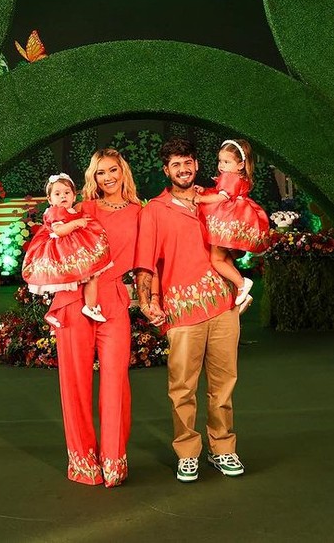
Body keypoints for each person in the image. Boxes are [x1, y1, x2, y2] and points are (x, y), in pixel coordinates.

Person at [135, 136, 245, 483]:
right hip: (181, 310)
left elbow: (237, 241)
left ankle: (223, 449)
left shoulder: (215, 199)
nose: (183, 169)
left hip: (224, 306)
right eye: (175, 164)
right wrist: (146, 301)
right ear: (166, 170)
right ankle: (187, 452)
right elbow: (145, 262)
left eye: (188, 162)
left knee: (223, 384)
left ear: (196, 164)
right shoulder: (154, 209)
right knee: (182, 387)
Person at [44, 150, 141, 487]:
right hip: (74, 300)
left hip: (113, 298)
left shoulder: (139, 213)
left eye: (113, 170)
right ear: (92, 177)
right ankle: (84, 465)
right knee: (75, 383)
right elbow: (50, 234)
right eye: (100, 173)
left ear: (123, 173)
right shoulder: (81, 208)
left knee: (116, 383)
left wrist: (151, 296)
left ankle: (114, 463)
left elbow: (147, 261)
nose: (107, 178)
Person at [194, 138, 271, 313]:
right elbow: (221, 192)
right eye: (220, 161)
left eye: (227, 162)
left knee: (216, 259)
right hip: (234, 218)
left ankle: (242, 284)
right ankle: (237, 291)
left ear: (241, 164)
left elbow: (222, 197)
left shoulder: (229, 177)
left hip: (228, 219)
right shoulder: (236, 177)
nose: (221, 166)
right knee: (225, 259)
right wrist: (205, 191)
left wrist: (201, 198)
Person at [21, 173, 111, 323]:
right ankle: (56, 311)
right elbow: (59, 231)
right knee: (67, 280)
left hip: (74, 248)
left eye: (67, 193)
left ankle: (90, 306)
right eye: (57, 194)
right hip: (61, 251)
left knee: (92, 275)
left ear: (74, 196)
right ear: (50, 199)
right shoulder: (55, 212)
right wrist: (76, 223)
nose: (63, 196)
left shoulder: (73, 212)